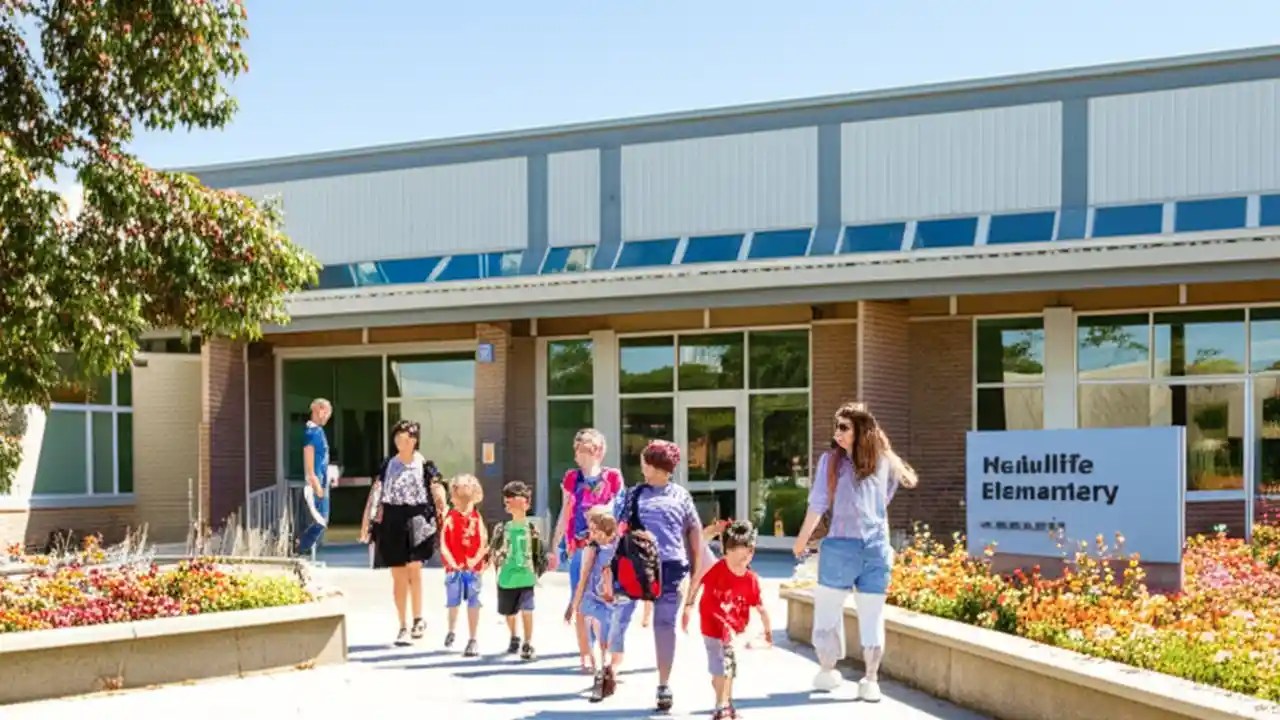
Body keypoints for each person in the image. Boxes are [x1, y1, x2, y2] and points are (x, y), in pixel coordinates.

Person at [791, 402, 918, 701]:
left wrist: (800, 542)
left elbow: (818, 504)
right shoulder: (885, 460)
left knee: (828, 613)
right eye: (836, 426)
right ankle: (868, 681)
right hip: (875, 547)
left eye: (844, 427)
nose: (838, 432)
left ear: (861, 429)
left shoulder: (831, 462)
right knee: (869, 616)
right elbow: (884, 500)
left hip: (843, 547)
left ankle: (833, 673)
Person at [621, 439, 704, 713]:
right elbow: (620, 529)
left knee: (664, 624)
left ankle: (663, 684)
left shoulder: (681, 495)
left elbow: (695, 535)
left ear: (656, 466)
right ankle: (607, 665)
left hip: (671, 567)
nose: (642, 466)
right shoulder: (634, 494)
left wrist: (695, 575)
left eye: (645, 461)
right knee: (616, 614)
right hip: (636, 567)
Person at [548, 428, 625, 673]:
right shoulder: (572, 478)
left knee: (605, 598)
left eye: (582, 450)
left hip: (606, 547)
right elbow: (566, 511)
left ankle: (605, 650)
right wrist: (555, 545)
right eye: (577, 450)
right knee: (580, 599)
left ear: (597, 452)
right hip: (579, 546)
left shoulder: (612, 477)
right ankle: (586, 653)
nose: (577, 456)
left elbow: (619, 510)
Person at [682, 520, 773, 720]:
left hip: (734, 631)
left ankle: (725, 702)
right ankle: (721, 705)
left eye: (748, 554)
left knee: (727, 670)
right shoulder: (716, 569)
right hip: (713, 627)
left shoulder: (751, 579)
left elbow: (761, 607)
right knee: (723, 666)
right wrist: (688, 606)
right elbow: (697, 558)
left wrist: (768, 632)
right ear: (726, 552)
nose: (744, 559)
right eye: (738, 555)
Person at [374, 420, 447, 647]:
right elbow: (377, 492)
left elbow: (437, 487)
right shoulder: (388, 464)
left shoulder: (425, 465)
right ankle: (402, 625)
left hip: (417, 518)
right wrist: (369, 521)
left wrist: (443, 508)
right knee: (398, 576)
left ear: (413, 440)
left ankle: (418, 619)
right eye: (396, 437)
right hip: (393, 520)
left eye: (403, 437)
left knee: (414, 570)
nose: (399, 441)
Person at [566, 506, 636, 703]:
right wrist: (574, 604)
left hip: (616, 602)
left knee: (609, 641)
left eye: (596, 530)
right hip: (594, 600)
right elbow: (584, 576)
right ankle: (600, 671)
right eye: (591, 529)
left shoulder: (622, 548)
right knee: (599, 636)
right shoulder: (592, 549)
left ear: (610, 531)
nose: (592, 534)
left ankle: (608, 670)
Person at [489, 480, 546, 661]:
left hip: (526, 578)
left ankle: (528, 643)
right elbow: (493, 550)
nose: (510, 502)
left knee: (528, 609)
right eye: (507, 499)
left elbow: (539, 551)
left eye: (514, 498)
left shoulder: (532, 529)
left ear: (526, 503)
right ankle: (514, 635)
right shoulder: (502, 528)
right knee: (509, 613)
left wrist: (540, 568)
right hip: (506, 578)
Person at [441, 473, 487, 657]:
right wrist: (452, 562)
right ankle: (451, 629)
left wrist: (475, 561)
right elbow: (444, 542)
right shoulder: (450, 517)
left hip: (473, 569)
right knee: (453, 601)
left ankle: (473, 638)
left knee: (473, 602)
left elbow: (483, 542)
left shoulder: (477, 518)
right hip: (454, 569)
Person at [296, 398, 332, 556]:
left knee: (322, 519)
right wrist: (314, 481)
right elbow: (308, 456)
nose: (327, 417)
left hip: (321, 481)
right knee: (320, 520)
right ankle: (300, 547)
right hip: (315, 482)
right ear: (320, 410)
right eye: (327, 413)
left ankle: (303, 547)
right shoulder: (312, 432)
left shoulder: (319, 431)